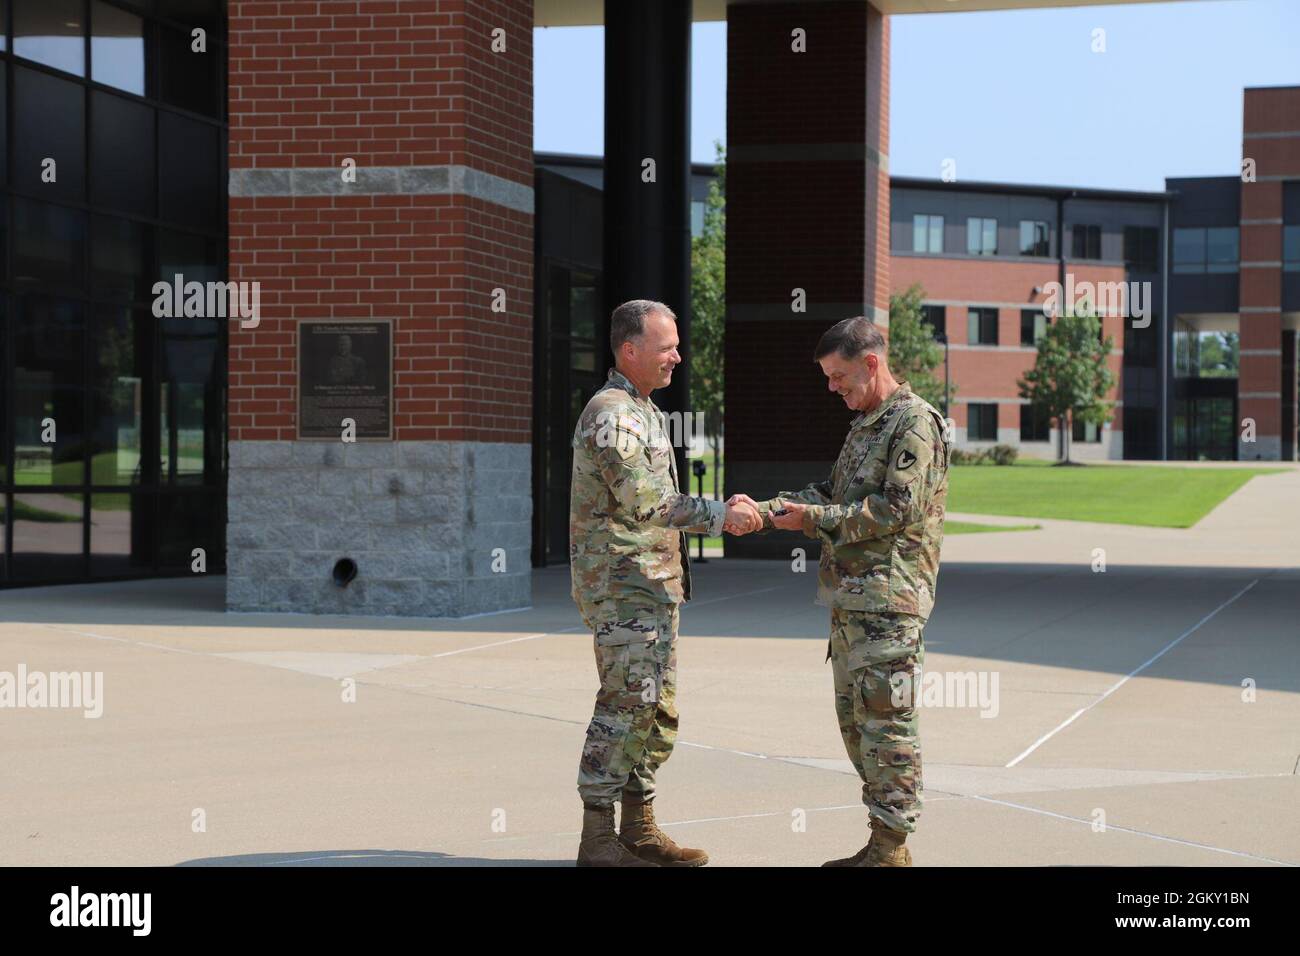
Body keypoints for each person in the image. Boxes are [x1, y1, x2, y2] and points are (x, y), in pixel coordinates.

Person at [730, 316, 949, 867]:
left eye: (839, 375)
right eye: (828, 377)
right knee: (857, 727)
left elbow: (893, 510)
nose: (833, 388)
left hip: (889, 604)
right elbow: (831, 493)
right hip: (851, 602)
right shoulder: (865, 424)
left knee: (888, 729)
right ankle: (881, 844)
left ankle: (892, 848)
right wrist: (768, 510)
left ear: (871, 362)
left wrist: (811, 519)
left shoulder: (915, 425)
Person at [570, 298, 761, 867]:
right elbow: (644, 501)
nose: (678, 356)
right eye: (666, 347)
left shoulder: (643, 408)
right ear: (630, 350)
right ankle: (598, 840)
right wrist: (720, 515)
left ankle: (639, 827)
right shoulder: (612, 414)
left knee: (655, 710)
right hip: (622, 589)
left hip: (652, 589)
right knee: (624, 707)